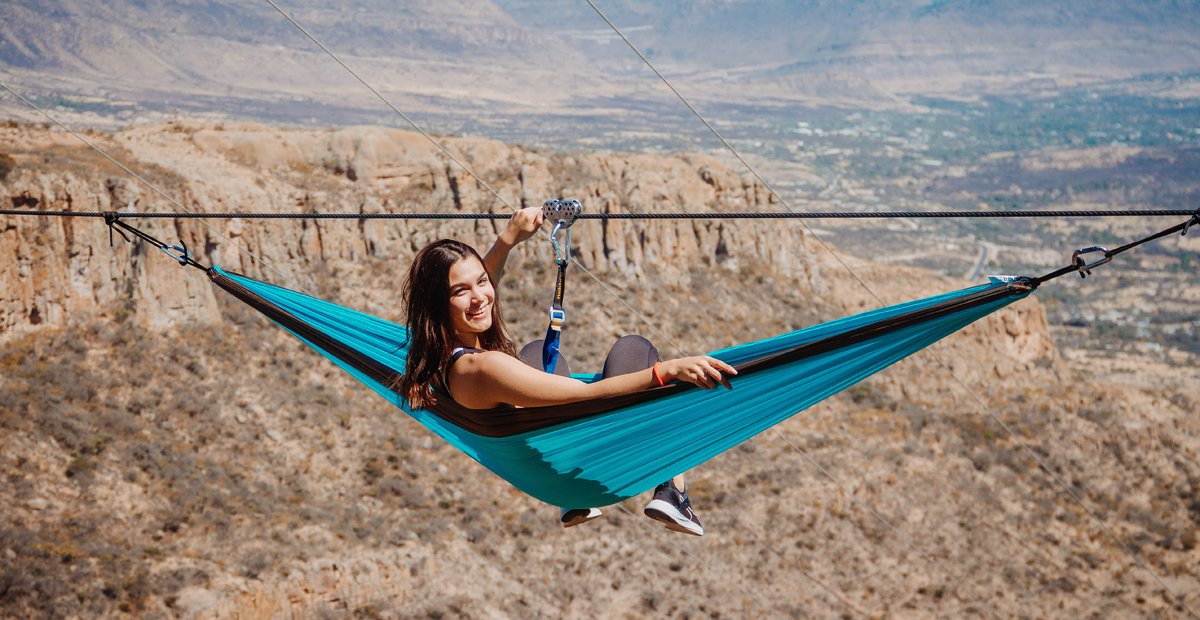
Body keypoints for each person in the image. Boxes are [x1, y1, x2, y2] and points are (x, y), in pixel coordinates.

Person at [396, 207, 736, 536]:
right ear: (439, 303)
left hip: (544, 460)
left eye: (481, 281)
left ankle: (576, 503)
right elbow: (586, 394)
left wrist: (507, 239)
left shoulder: (436, 357)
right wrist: (667, 371)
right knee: (634, 348)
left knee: (534, 353)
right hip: (577, 468)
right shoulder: (484, 366)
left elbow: (483, 290)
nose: (480, 297)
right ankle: (673, 490)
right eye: (460, 291)